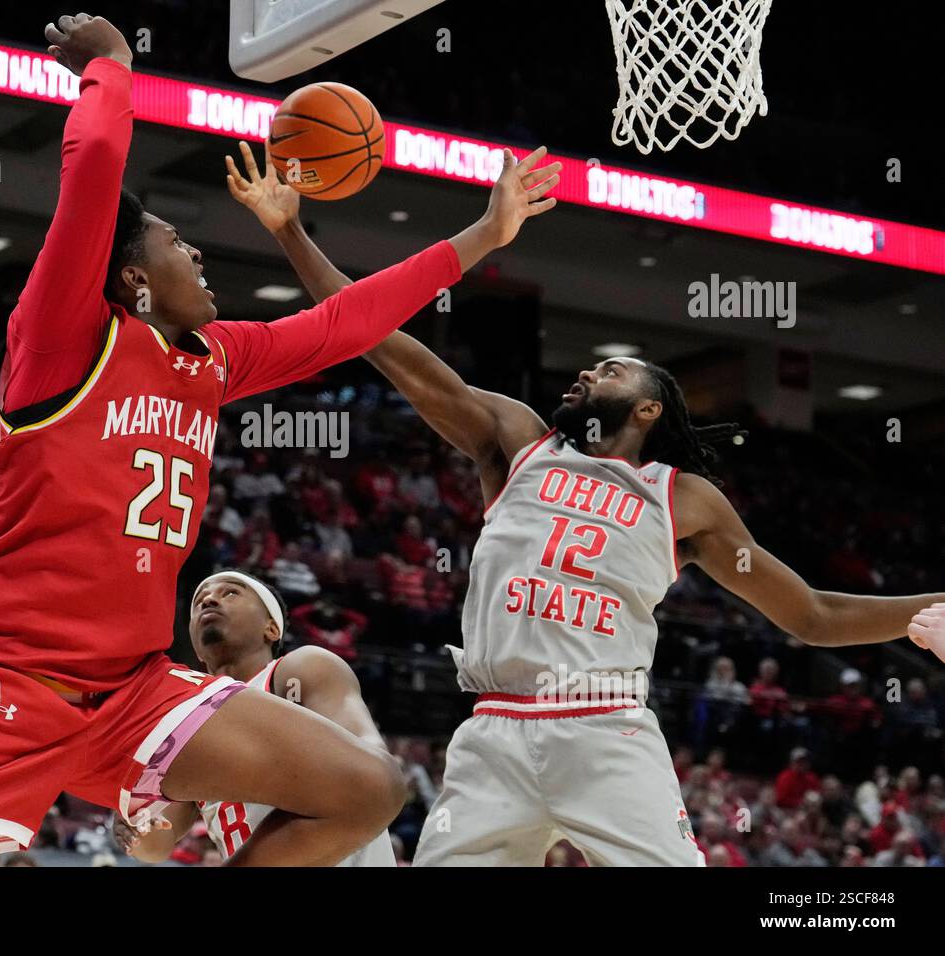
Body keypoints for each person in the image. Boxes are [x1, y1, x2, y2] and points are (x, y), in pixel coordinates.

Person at [0, 14, 558, 867]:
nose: (198, 252)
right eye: (177, 243)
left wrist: (483, 234)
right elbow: (96, 175)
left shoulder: (213, 360)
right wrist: (111, 67)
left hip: (135, 691)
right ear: (137, 278)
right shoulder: (65, 337)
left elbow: (345, 322)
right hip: (4, 686)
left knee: (370, 790)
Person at [224, 129, 945, 866]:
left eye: (608, 372)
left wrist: (925, 616)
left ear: (649, 409)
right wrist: (290, 232)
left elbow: (813, 616)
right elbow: (378, 341)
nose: (584, 376)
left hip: (606, 731)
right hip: (493, 735)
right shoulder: (515, 442)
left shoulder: (683, 500)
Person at [113, 570, 394, 866]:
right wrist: (133, 822)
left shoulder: (301, 668)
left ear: (271, 628)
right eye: (199, 602)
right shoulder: (186, 721)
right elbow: (156, 846)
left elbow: (371, 763)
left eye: (231, 593)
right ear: (196, 649)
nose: (209, 599)